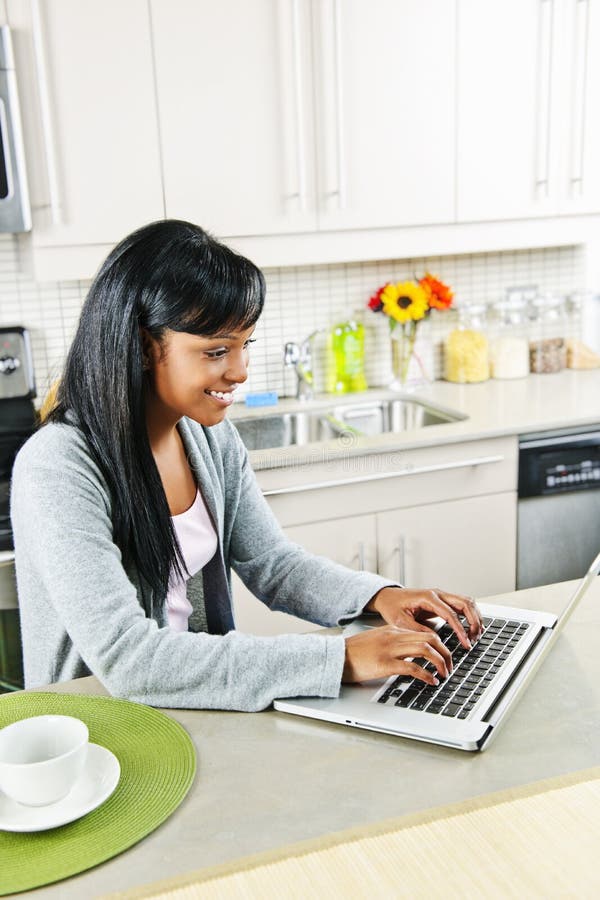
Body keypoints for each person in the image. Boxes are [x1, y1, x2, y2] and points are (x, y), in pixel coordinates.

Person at [11, 220, 482, 710]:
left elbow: (271, 563)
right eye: (216, 351)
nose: (239, 371)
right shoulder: (58, 467)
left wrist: (379, 596)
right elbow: (130, 660)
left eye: (245, 345)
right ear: (145, 346)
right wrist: (337, 658)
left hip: (195, 700)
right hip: (97, 732)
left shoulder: (206, 436)